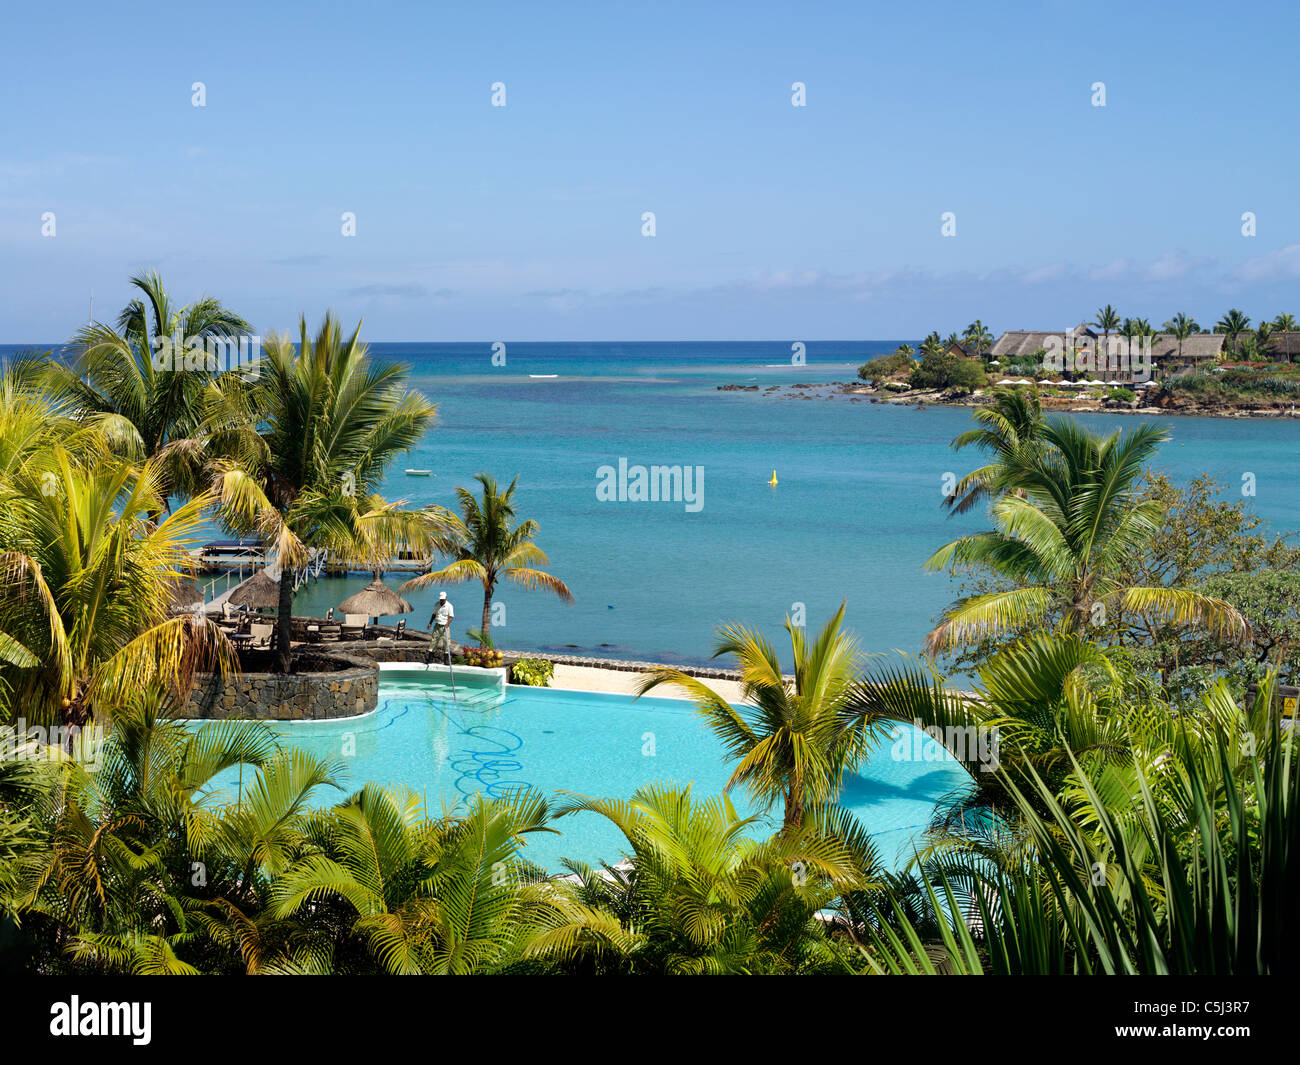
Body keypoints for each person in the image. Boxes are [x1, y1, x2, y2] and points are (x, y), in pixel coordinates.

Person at [426, 591, 454, 661]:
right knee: (434, 641)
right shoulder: (437, 605)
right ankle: (430, 659)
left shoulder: (449, 606)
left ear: (446, 598)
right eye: (441, 600)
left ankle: (446, 660)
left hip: (445, 627)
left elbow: (451, 617)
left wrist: (447, 624)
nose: (441, 601)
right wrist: (430, 623)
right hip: (437, 625)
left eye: (443, 600)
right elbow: (434, 614)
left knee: (446, 642)